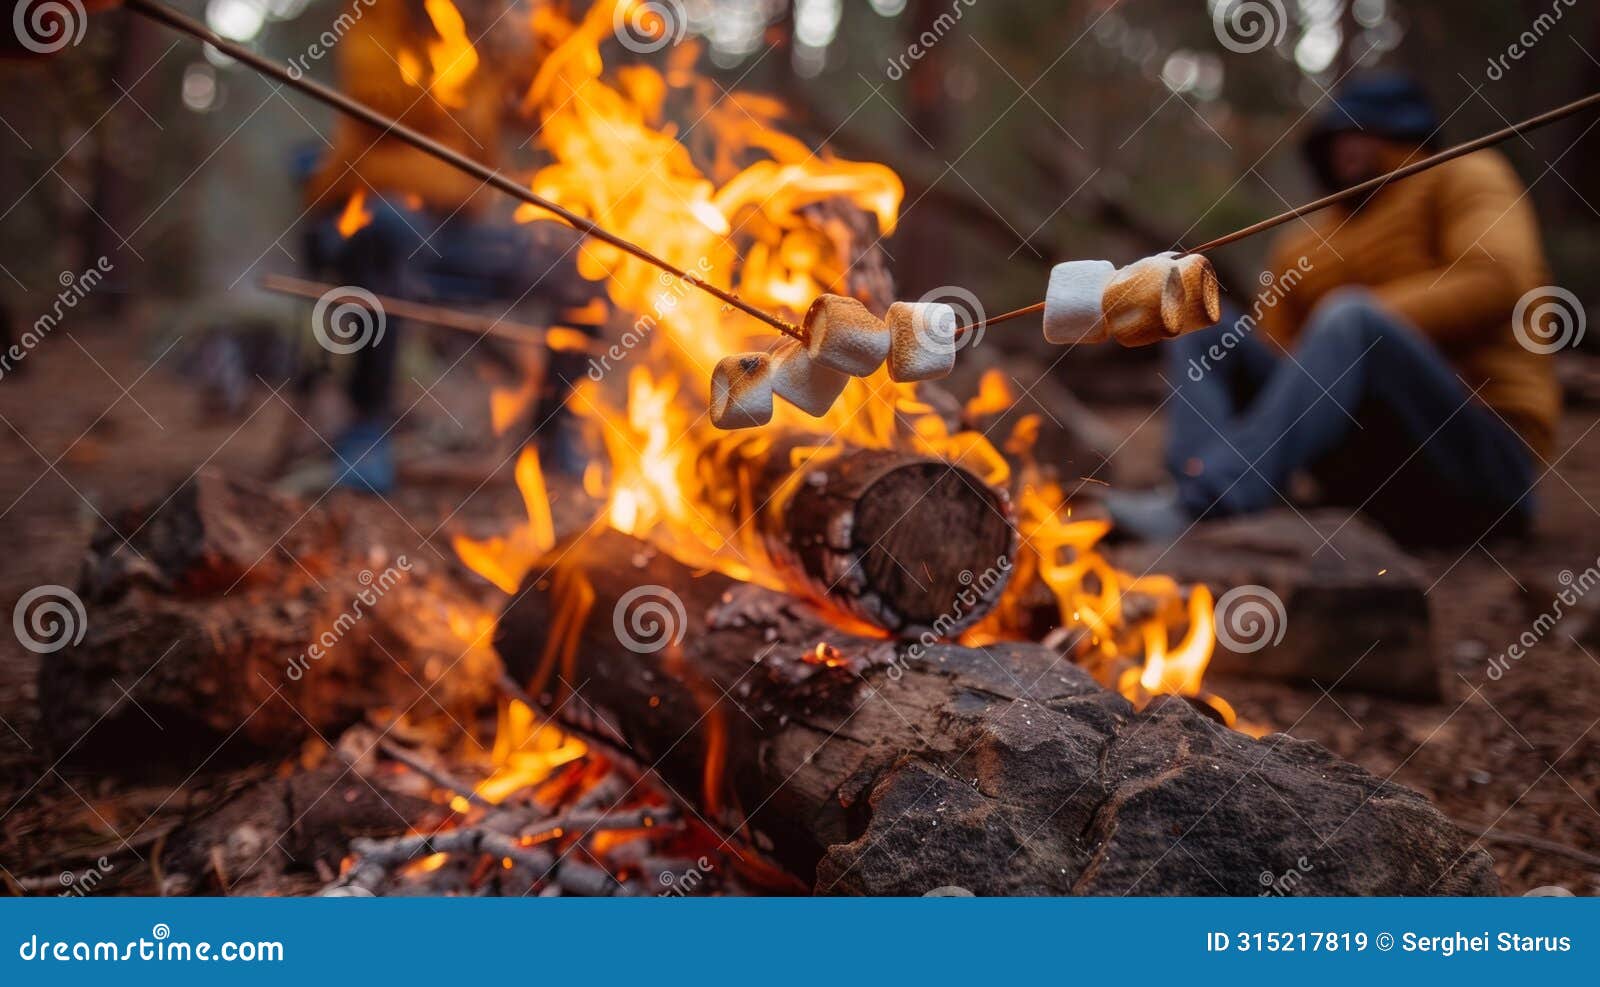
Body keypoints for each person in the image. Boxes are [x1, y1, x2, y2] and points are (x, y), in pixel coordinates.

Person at [1107, 73, 1560, 547]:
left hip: (1481, 463)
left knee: (1351, 317)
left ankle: (1209, 503)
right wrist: (1322, 352)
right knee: (1202, 328)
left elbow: (1497, 280)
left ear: (1401, 129)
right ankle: (1193, 493)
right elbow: (1280, 367)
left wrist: (1347, 333)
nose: (1343, 144)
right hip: (1368, 477)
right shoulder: (1303, 243)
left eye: (1360, 129)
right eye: (1334, 134)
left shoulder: (1464, 175)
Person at [301, 0, 593, 494]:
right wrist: (472, 65)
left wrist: (538, 54)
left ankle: (552, 431)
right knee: (389, 230)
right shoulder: (372, 20)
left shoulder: (492, 38)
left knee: (577, 264)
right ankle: (368, 426)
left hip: (452, 234)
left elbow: (549, 111)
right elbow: (380, 95)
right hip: (362, 219)